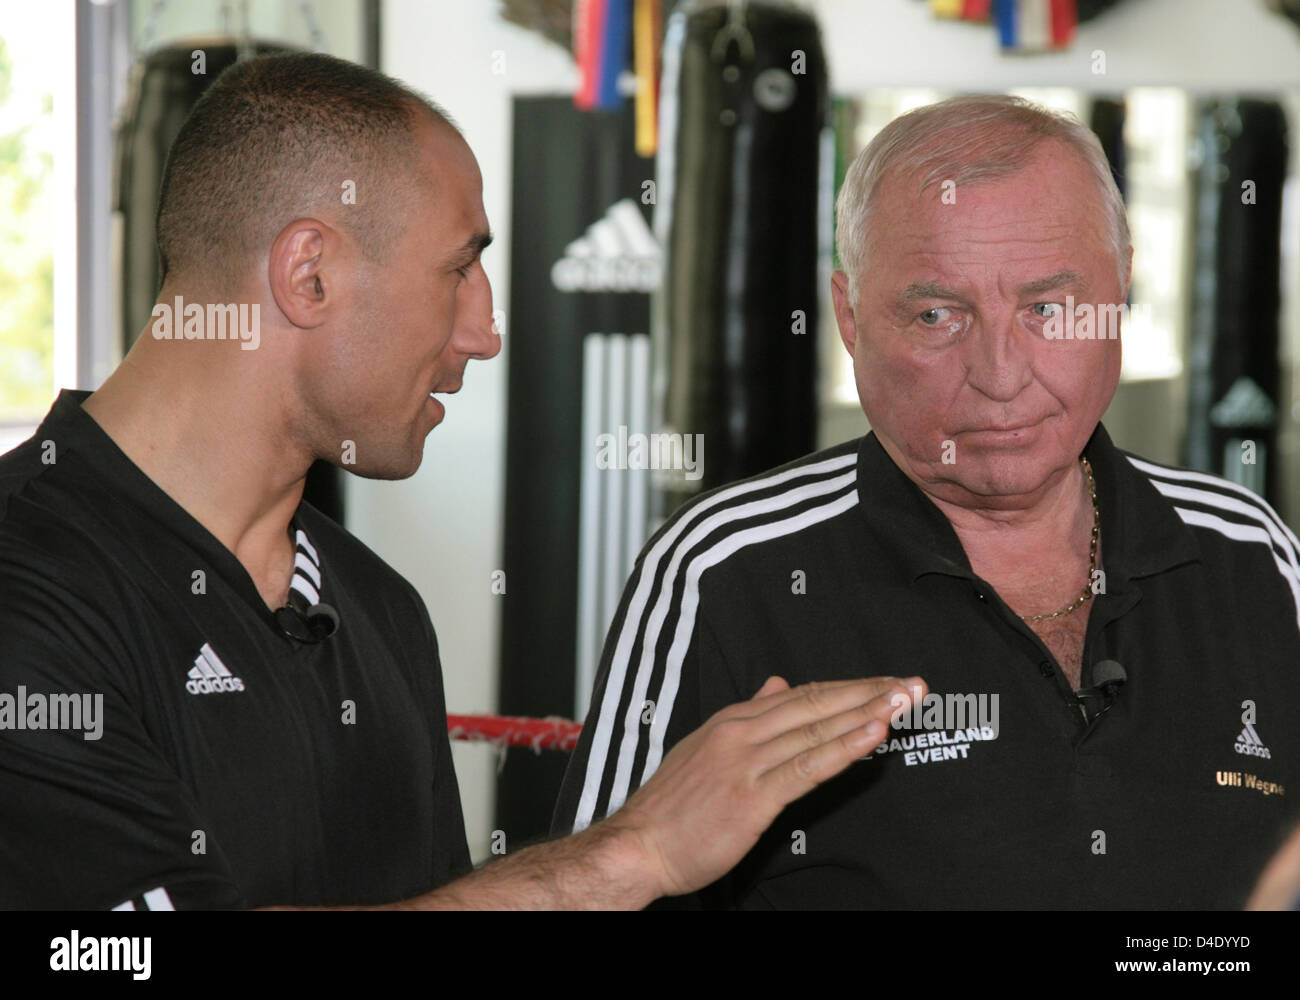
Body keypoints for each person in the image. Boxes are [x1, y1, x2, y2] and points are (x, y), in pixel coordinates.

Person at [0, 52, 920, 910]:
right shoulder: (26, 588)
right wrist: (627, 855)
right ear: (308, 276)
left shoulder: (377, 609)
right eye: (459, 266)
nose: (486, 329)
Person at [554, 95, 1300, 909]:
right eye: (938, 314)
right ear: (848, 316)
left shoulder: (1249, 550)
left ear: (1118, 291)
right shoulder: (726, 569)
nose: (1000, 373)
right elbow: (593, 894)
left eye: (1046, 308)